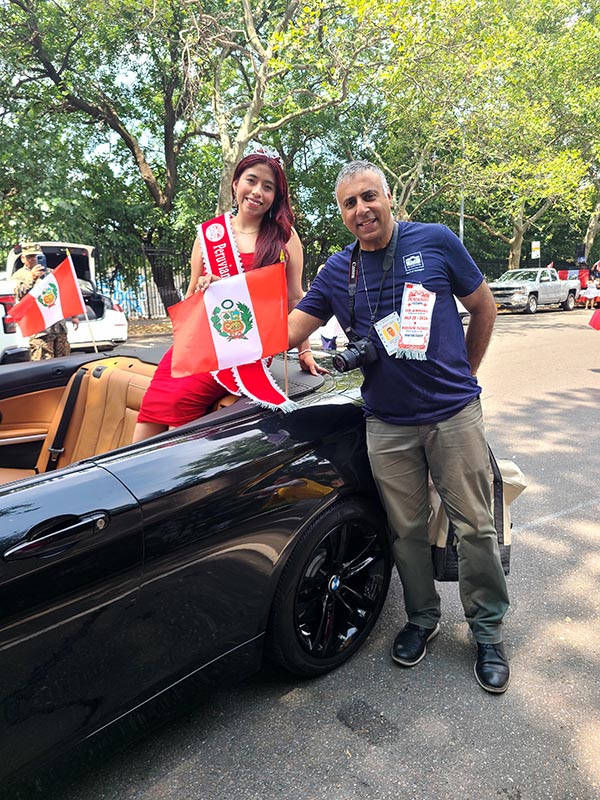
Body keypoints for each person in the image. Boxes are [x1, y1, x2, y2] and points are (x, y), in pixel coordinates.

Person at [287, 160, 510, 694]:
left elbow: (484, 307)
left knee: (474, 527)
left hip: (452, 415)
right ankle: (422, 619)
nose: (362, 209)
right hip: (386, 425)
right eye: (349, 203)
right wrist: (231, 329)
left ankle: (487, 632)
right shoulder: (337, 272)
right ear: (341, 213)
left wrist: (467, 375)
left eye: (370, 197)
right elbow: (291, 326)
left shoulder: (434, 241)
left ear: (389, 199)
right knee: (406, 531)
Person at [133, 152, 322, 442]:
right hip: (200, 342)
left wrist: (304, 351)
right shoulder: (209, 235)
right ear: (235, 184)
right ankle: (135, 472)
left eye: (268, 187)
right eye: (251, 181)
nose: (258, 191)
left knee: (180, 402)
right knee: (155, 400)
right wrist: (206, 290)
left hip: (246, 348)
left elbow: (295, 299)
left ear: (276, 196)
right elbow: (190, 299)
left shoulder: (284, 236)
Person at [12, 242, 77, 359]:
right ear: (23, 258)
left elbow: (64, 293)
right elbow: (18, 295)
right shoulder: (18, 276)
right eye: (30, 256)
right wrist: (32, 278)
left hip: (58, 327)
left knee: (64, 363)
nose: (33, 259)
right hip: (40, 330)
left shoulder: (51, 273)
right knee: (44, 366)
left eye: (36, 256)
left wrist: (74, 315)